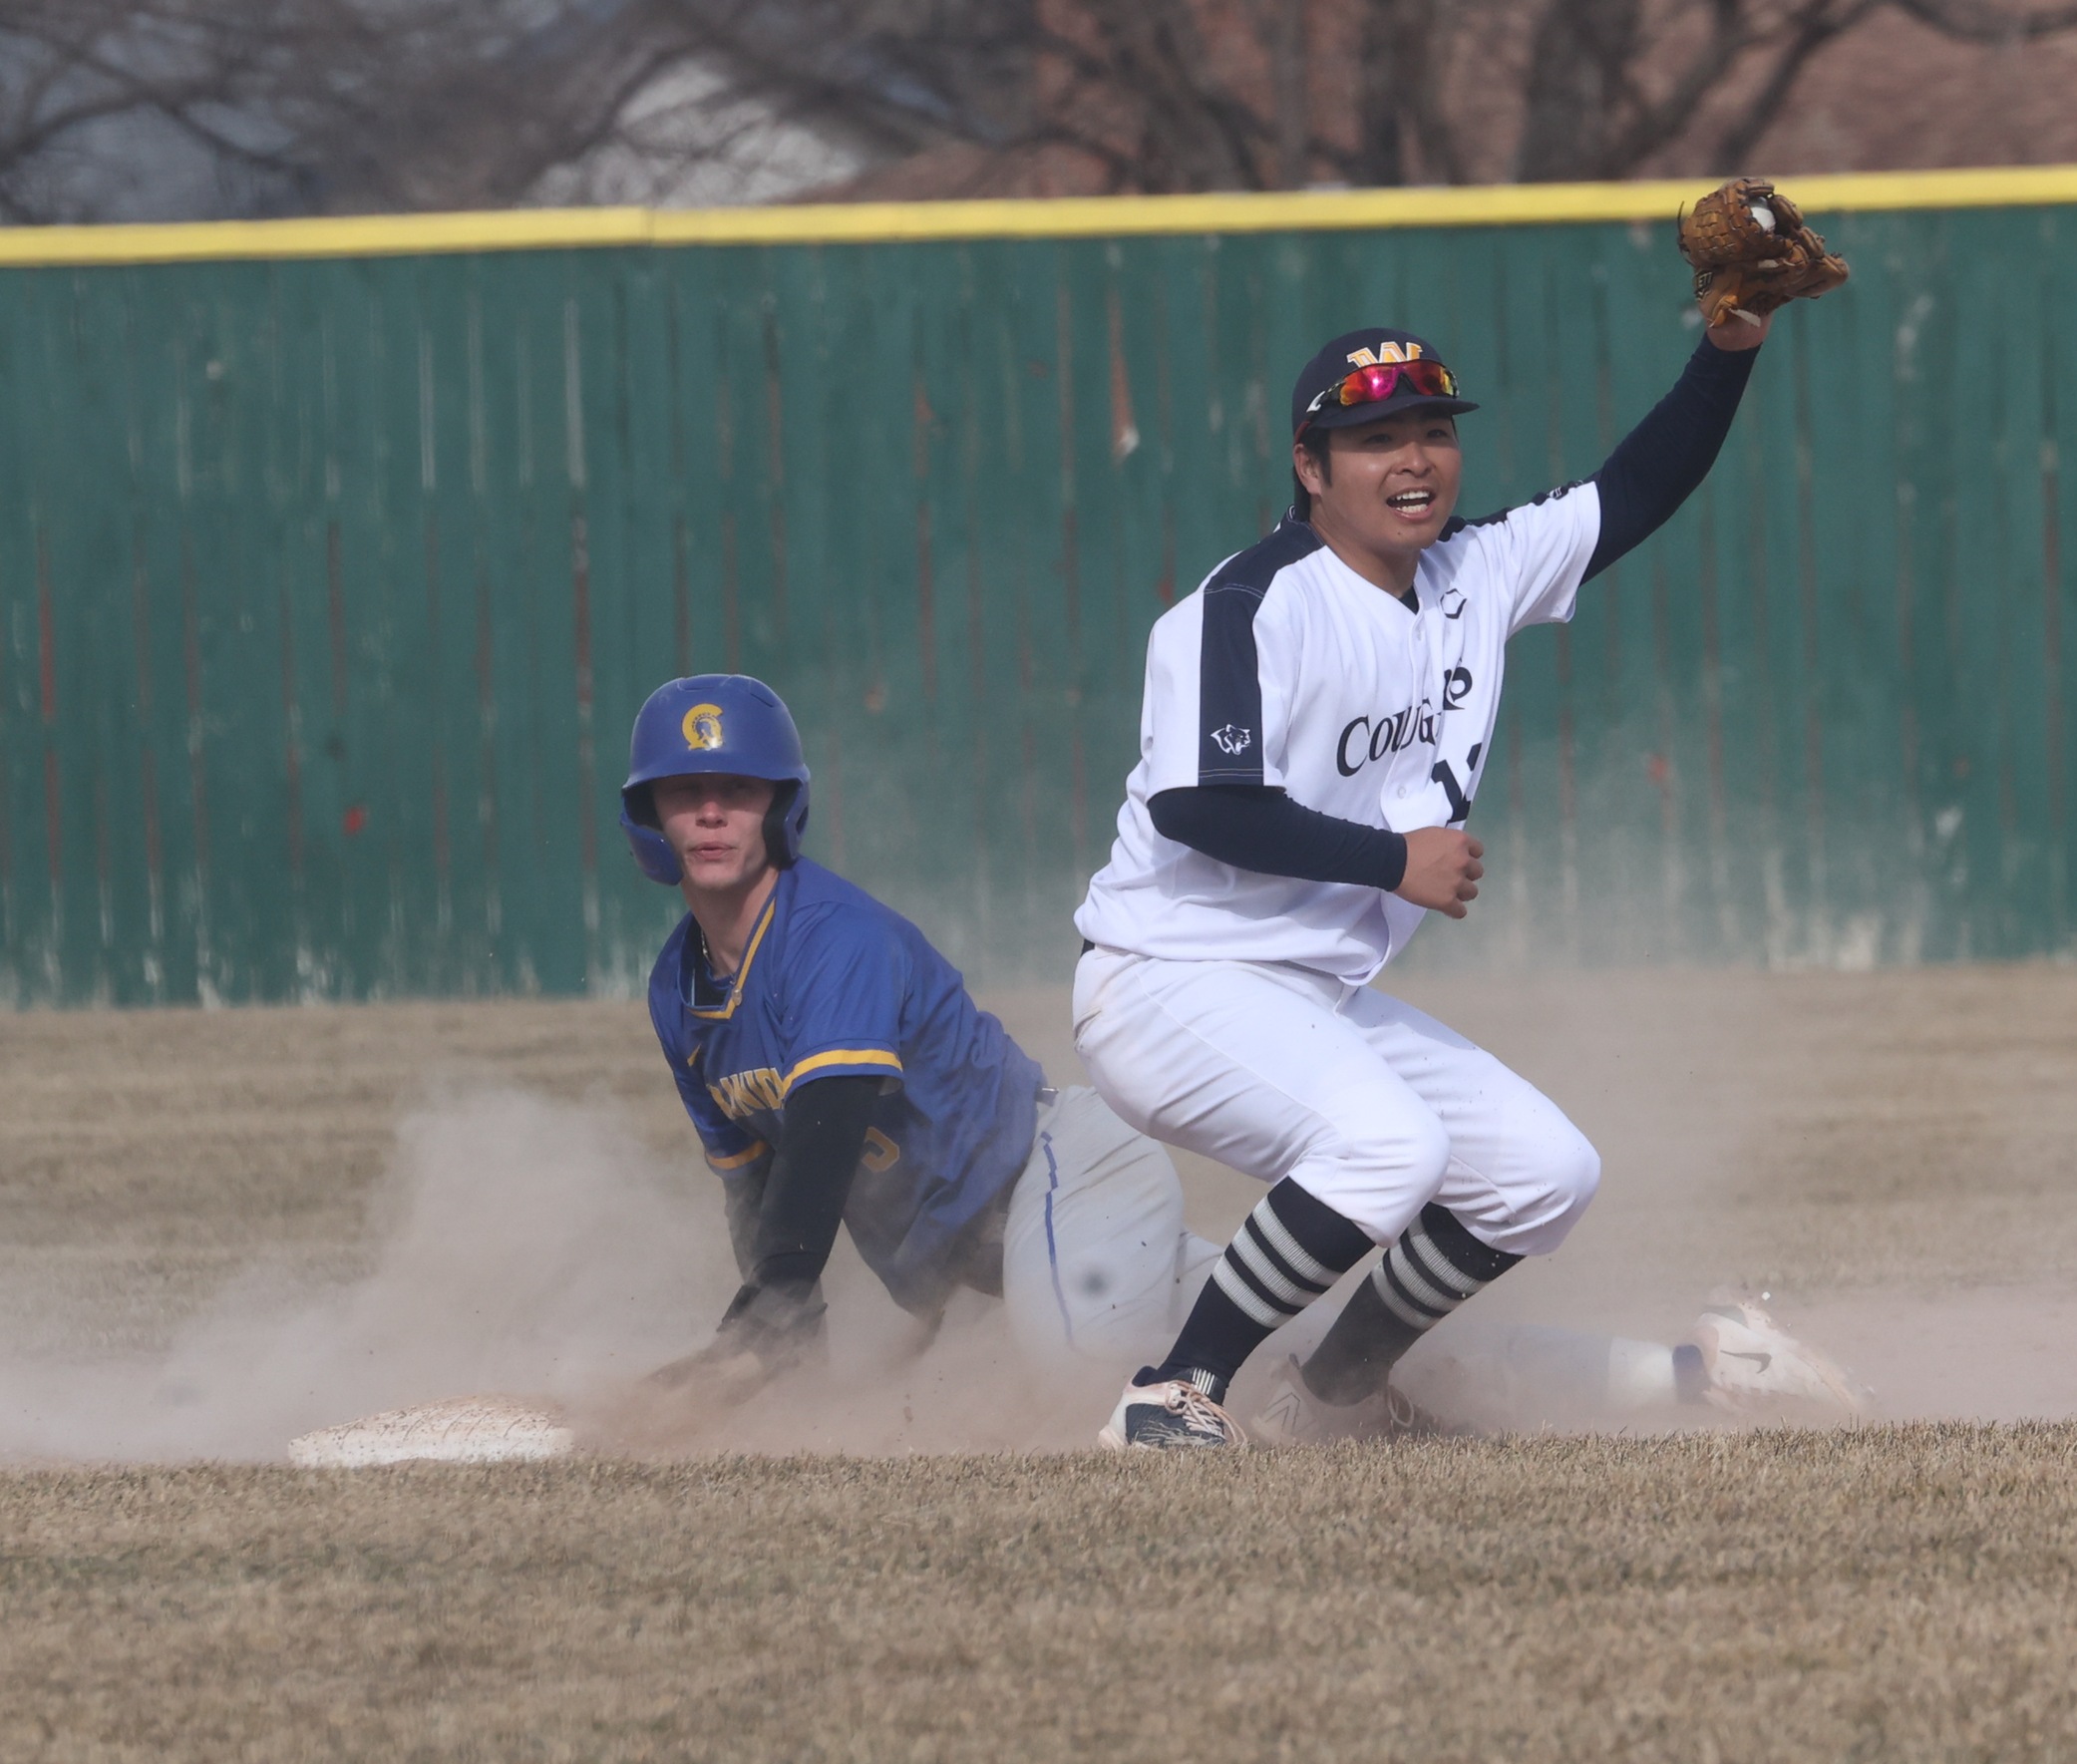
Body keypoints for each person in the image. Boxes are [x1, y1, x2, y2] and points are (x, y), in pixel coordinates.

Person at [1075, 265, 1833, 1448]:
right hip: (1165, 977)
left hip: (1305, 988)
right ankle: (1171, 1394)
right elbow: (1198, 807)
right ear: (1309, 465)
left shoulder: (1472, 574)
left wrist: (1730, 342)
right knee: (1388, 1146)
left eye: (1431, 430)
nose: (1413, 458)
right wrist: (1392, 859)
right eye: (1373, 437)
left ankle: (1333, 1395)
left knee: (1544, 1171)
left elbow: (1635, 488)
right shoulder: (1246, 609)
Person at [619, 671, 1222, 1405]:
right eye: (684, 792)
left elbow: (822, 1141)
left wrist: (762, 1320)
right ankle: (1323, 1344)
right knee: (1233, 1336)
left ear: (781, 803)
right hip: (993, 1266)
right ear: (649, 814)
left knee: (1076, 1387)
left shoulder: (833, 939)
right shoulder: (674, 990)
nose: (711, 814)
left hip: (1060, 1173)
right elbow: (758, 1187)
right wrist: (790, 1363)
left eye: (738, 788)